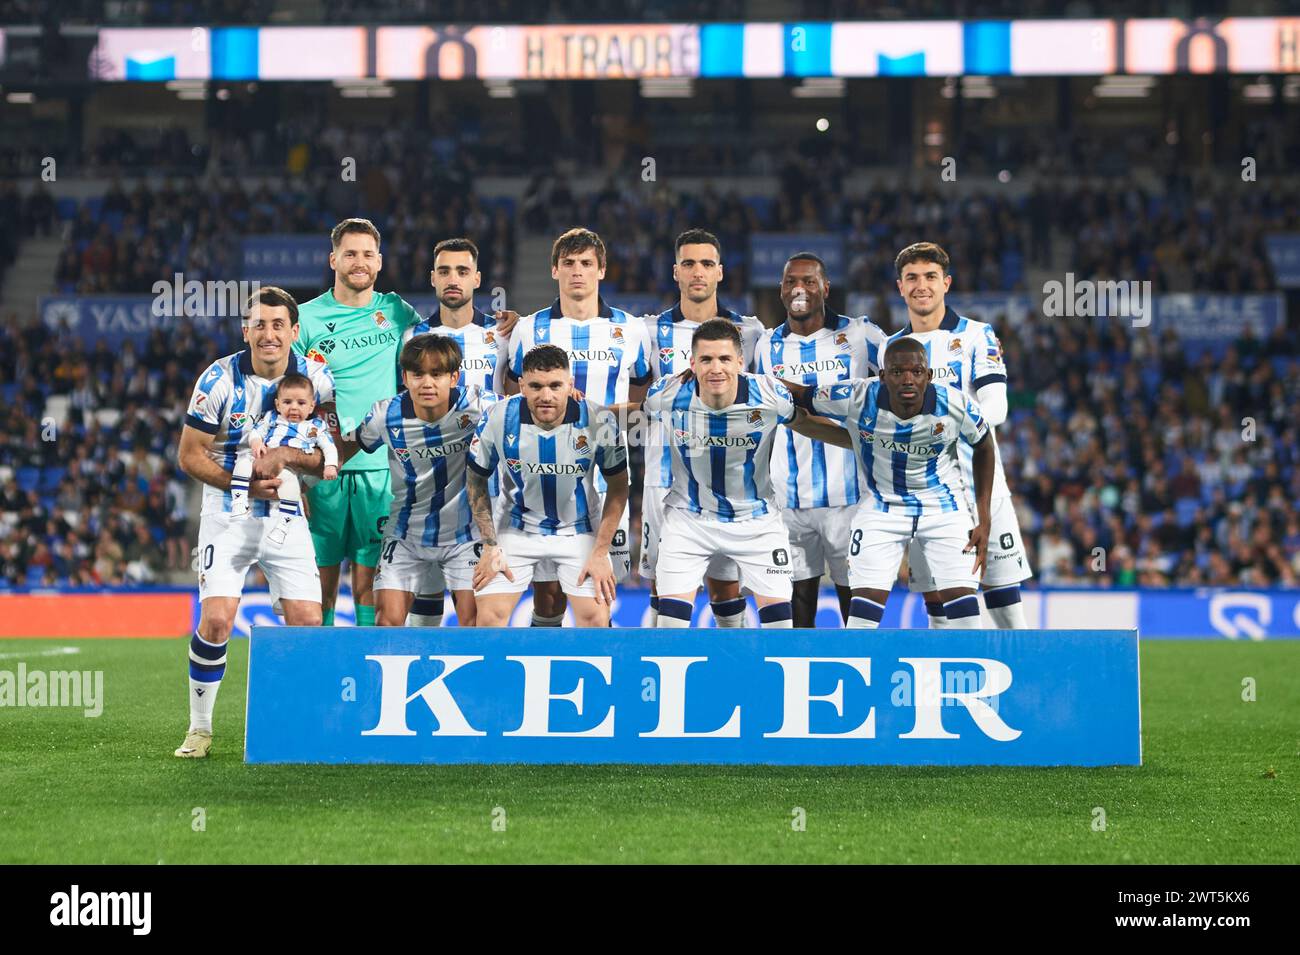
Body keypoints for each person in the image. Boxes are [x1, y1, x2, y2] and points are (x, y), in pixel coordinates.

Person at [174, 286, 333, 758]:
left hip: (286, 513)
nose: (268, 334)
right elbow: (188, 455)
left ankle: (298, 728)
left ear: (294, 332)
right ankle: (200, 730)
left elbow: (328, 447)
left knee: (308, 620)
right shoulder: (219, 379)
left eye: (278, 325)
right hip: (228, 512)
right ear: (245, 330)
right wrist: (237, 484)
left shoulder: (317, 378)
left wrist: (291, 467)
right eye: (259, 324)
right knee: (218, 620)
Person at [642, 319, 850, 629]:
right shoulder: (666, 394)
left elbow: (804, 423)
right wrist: (584, 416)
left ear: (740, 361)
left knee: (780, 630)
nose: (716, 368)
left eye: (725, 359)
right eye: (706, 359)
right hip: (689, 520)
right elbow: (632, 416)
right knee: (670, 627)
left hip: (757, 522)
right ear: (692, 363)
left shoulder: (769, 395)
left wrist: (858, 444)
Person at [789, 336, 994, 629]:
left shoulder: (954, 404)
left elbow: (984, 445)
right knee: (861, 621)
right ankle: (859, 671)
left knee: (965, 617)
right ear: (883, 376)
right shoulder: (857, 396)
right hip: (882, 507)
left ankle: (963, 673)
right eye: (898, 372)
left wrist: (983, 519)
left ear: (929, 375)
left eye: (916, 372)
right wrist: (743, 381)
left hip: (943, 507)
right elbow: (802, 394)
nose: (908, 380)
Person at [504, 228, 650, 625]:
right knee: (548, 597)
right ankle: (540, 673)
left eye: (586, 263)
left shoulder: (632, 331)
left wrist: (601, 414)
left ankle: (597, 674)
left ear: (602, 270)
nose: (577, 272)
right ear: (554, 269)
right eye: (568, 263)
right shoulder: (529, 329)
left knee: (601, 593)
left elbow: (645, 399)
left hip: (607, 480)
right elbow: (512, 396)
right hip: (543, 480)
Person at [885, 241, 1032, 628]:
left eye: (931, 277)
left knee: (1006, 609)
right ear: (900, 287)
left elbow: (997, 409)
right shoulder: (890, 349)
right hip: (925, 499)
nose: (922, 286)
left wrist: (935, 427)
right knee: (941, 613)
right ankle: (944, 689)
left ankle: (1024, 685)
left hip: (984, 490)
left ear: (946, 283)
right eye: (912, 278)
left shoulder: (976, 336)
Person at [294, 218, 420, 627]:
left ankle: (366, 679)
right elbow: (289, 398)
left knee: (369, 586)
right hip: (322, 470)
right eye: (350, 253)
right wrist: (296, 473)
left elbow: (444, 338)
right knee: (321, 586)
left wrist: (499, 326)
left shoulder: (397, 311)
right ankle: (323, 676)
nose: (359, 262)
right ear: (334, 259)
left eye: (368, 254)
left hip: (382, 469)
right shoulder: (306, 319)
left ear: (380, 262)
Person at [640, 228, 765, 628]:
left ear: (721, 272)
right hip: (664, 479)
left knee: (726, 589)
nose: (698, 272)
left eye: (707, 264)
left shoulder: (750, 333)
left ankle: (733, 677)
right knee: (664, 585)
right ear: (675, 272)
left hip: (731, 482)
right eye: (689, 264)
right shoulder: (648, 331)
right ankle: (664, 679)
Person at [756, 251, 887, 627]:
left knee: (854, 603)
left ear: (825, 288)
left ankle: (863, 675)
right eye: (790, 282)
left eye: (808, 281)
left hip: (851, 497)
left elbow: (906, 364)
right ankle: (796, 678)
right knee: (798, 605)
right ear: (780, 290)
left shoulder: (861, 334)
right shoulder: (766, 346)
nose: (799, 289)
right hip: (789, 499)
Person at [398, 236, 516, 626]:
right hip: (430, 485)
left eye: (462, 271)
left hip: (488, 486)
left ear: (477, 278)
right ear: (432, 278)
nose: (454, 279)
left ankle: (475, 683)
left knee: (479, 607)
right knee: (425, 599)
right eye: (445, 271)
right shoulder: (412, 338)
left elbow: (515, 401)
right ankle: (417, 677)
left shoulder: (503, 335)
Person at [467, 344, 628, 628]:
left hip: (577, 530)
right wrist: (490, 545)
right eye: (536, 386)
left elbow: (618, 486)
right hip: (515, 528)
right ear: (521, 386)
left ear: (570, 385)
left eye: (555, 385)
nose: (546, 396)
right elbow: (476, 480)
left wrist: (601, 552)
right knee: (489, 619)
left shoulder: (599, 420)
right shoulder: (498, 417)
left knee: (595, 620)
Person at [347, 335, 498, 628]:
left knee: (475, 625)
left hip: (465, 537)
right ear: (405, 377)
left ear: (454, 377)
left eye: (437, 374)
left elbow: (527, 407)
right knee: (386, 625)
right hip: (406, 535)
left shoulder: (481, 404)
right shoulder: (385, 415)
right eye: (418, 374)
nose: (426, 383)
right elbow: (346, 447)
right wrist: (304, 479)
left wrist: (572, 396)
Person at [230, 373, 340, 549]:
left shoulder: (316, 426)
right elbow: (256, 432)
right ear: (278, 404)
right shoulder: (272, 417)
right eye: (287, 402)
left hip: (287, 469)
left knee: (292, 489)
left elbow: (329, 448)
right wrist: (257, 442)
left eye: (301, 403)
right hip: (262, 457)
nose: (294, 408)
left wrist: (331, 466)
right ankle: (239, 502)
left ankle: (282, 527)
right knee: (243, 462)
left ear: (312, 406)